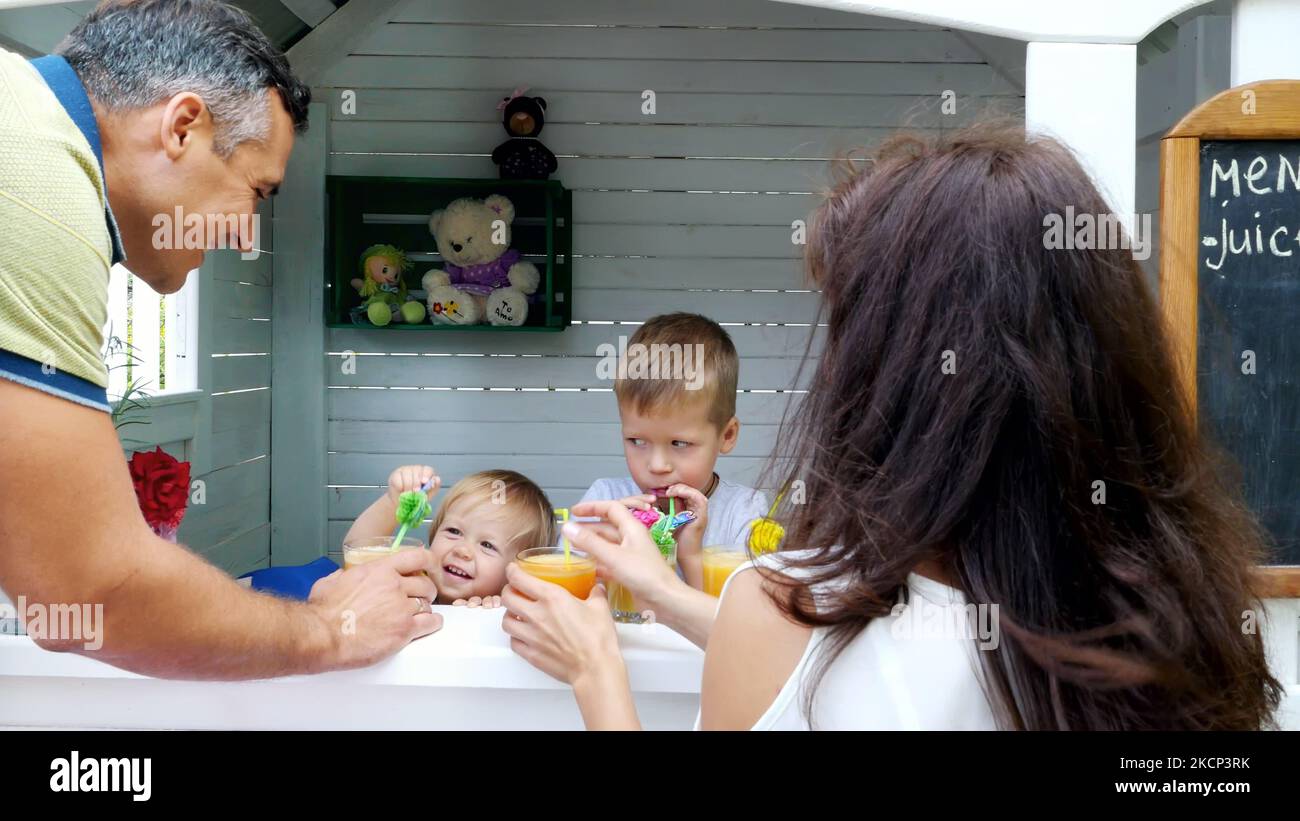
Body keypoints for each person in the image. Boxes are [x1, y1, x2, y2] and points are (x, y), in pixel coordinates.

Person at [500, 126, 1282, 730]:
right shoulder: (1186, 630)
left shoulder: (775, 609)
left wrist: (597, 667)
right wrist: (660, 592)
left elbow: (797, 648)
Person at [0, 0, 441, 679]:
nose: (245, 234)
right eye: (257, 193)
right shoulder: (40, 188)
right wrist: (327, 631)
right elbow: (86, 590)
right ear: (182, 126)